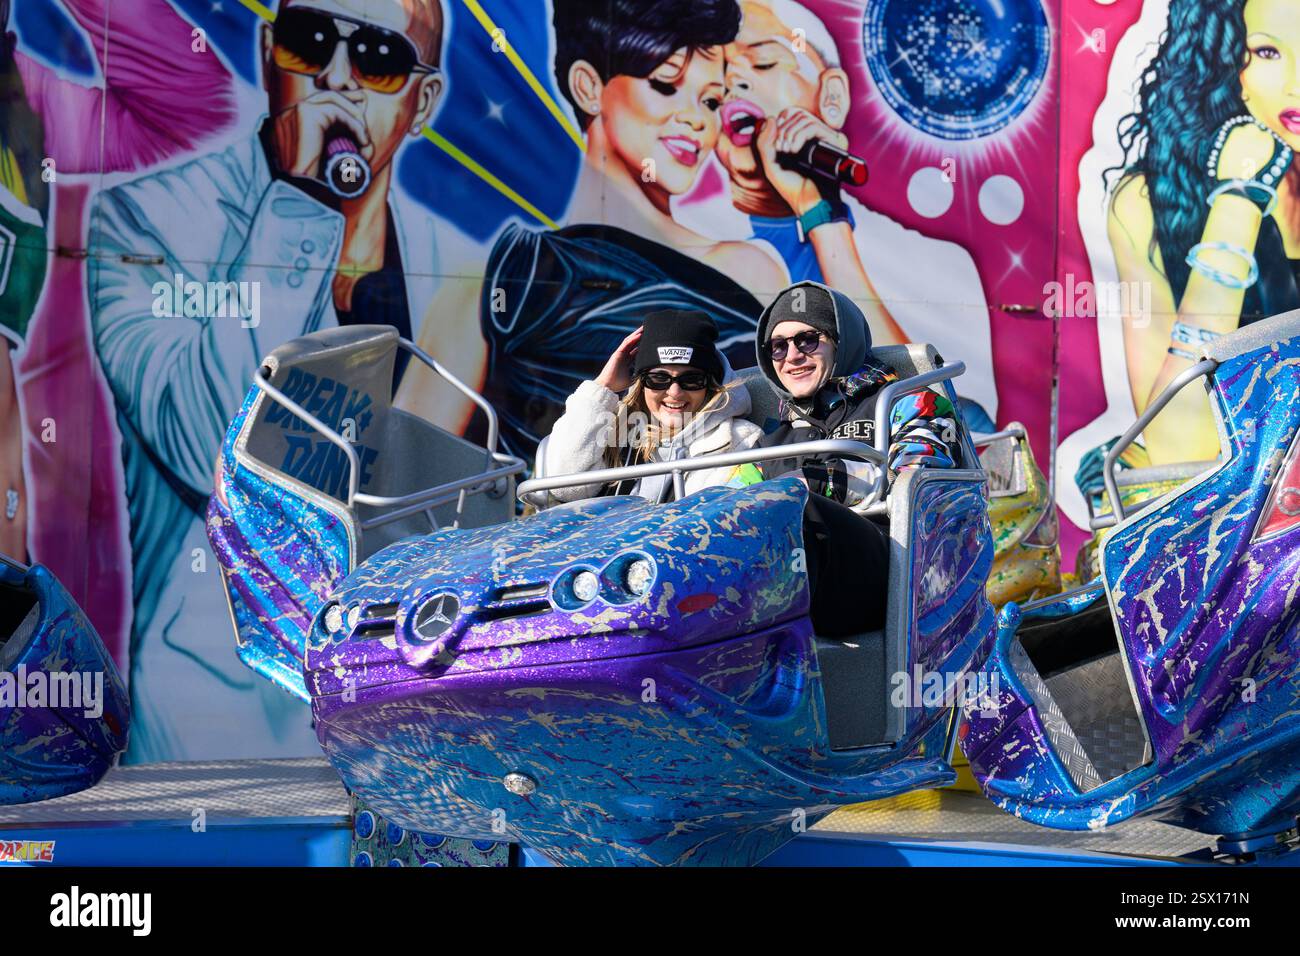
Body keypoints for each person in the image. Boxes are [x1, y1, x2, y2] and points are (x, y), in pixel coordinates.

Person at [86, 0, 454, 762]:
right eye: (309, 42)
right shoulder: (145, 222)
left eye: (379, 58)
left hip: (408, 695)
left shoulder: (454, 262)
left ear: (422, 101)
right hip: (220, 710)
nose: (338, 78)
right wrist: (300, 201)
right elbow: (211, 443)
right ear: (266, 56)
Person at [402, 0, 790, 458]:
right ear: (589, 86)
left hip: (699, 514)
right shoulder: (501, 280)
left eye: (710, 101)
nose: (697, 118)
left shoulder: (752, 270)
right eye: (666, 84)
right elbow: (417, 461)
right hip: (544, 523)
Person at [671, 0, 996, 422]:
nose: (737, 87)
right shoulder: (686, 250)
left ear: (832, 97)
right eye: (716, 88)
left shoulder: (942, 262)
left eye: (764, 63)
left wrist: (818, 213)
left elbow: (929, 402)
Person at [1107, 0, 1300, 464]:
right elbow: (1176, 449)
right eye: (1268, 53)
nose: (1297, 84)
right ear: (1225, 61)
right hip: (1247, 518)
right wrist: (1238, 199)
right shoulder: (1146, 203)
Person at [730, 281, 959, 636]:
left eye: (807, 339)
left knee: (792, 504)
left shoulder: (905, 401)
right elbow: (731, 507)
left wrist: (818, 483)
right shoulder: (773, 441)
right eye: (777, 346)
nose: (791, 356)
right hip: (804, 583)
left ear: (840, 339)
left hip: (896, 566)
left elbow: (919, 487)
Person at [538, 309, 763, 504]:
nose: (675, 392)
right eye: (658, 379)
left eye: (692, 379)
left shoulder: (741, 441)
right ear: (640, 383)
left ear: (711, 385)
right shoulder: (615, 432)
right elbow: (564, 487)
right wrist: (602, 386)